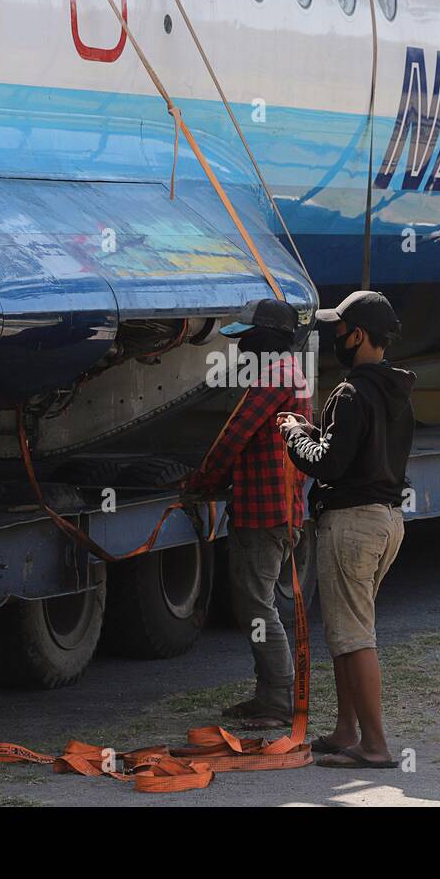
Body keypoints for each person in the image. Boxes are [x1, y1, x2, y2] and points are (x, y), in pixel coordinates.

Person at [279, 291, 415, 768]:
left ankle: (374, 746)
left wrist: (294, 433)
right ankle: (345, 731)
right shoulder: (394, 390)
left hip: (352, 524)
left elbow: (327, 462)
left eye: (339, 329)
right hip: (386, 521)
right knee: (345, 631)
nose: (334, 336)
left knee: (355, 636)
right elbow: (354, 454)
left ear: (357, 335)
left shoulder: (350, 392)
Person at [182, 298, 311, 730]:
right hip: (282, 508)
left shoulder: (273, 378)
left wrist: (200, 481)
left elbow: (233, 437)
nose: (240, 351)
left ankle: (277, 701)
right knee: (261, 603)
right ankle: (268, 695)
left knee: (257, 606)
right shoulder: (293, 374)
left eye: (247, 341)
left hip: (264, 512)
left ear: (266, 341)